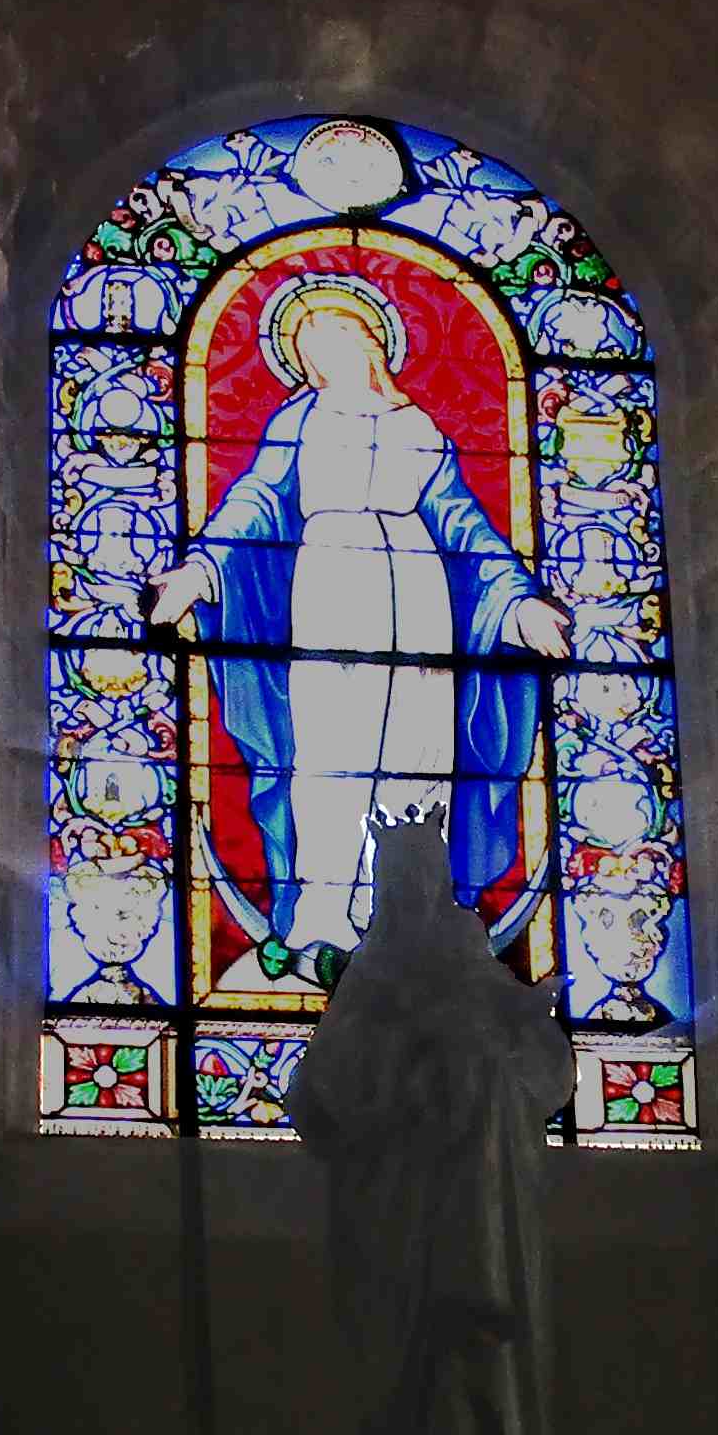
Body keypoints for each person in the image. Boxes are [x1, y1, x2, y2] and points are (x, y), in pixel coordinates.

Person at [143, 272, 574, 972]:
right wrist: (199, 572)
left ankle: (405, 912)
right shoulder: (300, 421)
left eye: (342, 333)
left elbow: (463, 524)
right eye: (316, 343)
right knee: (331, 753)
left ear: (372, 340)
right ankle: (324, 916)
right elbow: (254, 500)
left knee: (419, 755)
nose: (332, 350)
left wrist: (519, 603)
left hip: (419, 590)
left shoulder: (418, 427)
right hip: (333, 579)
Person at [291, 822, 560, 1435]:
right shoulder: (371, 972)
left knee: (477, 1321)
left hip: (482, 1187)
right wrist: (407, 1058)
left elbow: (542, 1067)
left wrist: (502, 1040)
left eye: (423, 873)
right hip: (395, 1200)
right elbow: (327, 1087)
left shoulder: (471, 957)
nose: (412, 890)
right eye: (398, 875)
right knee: (403, 1348)